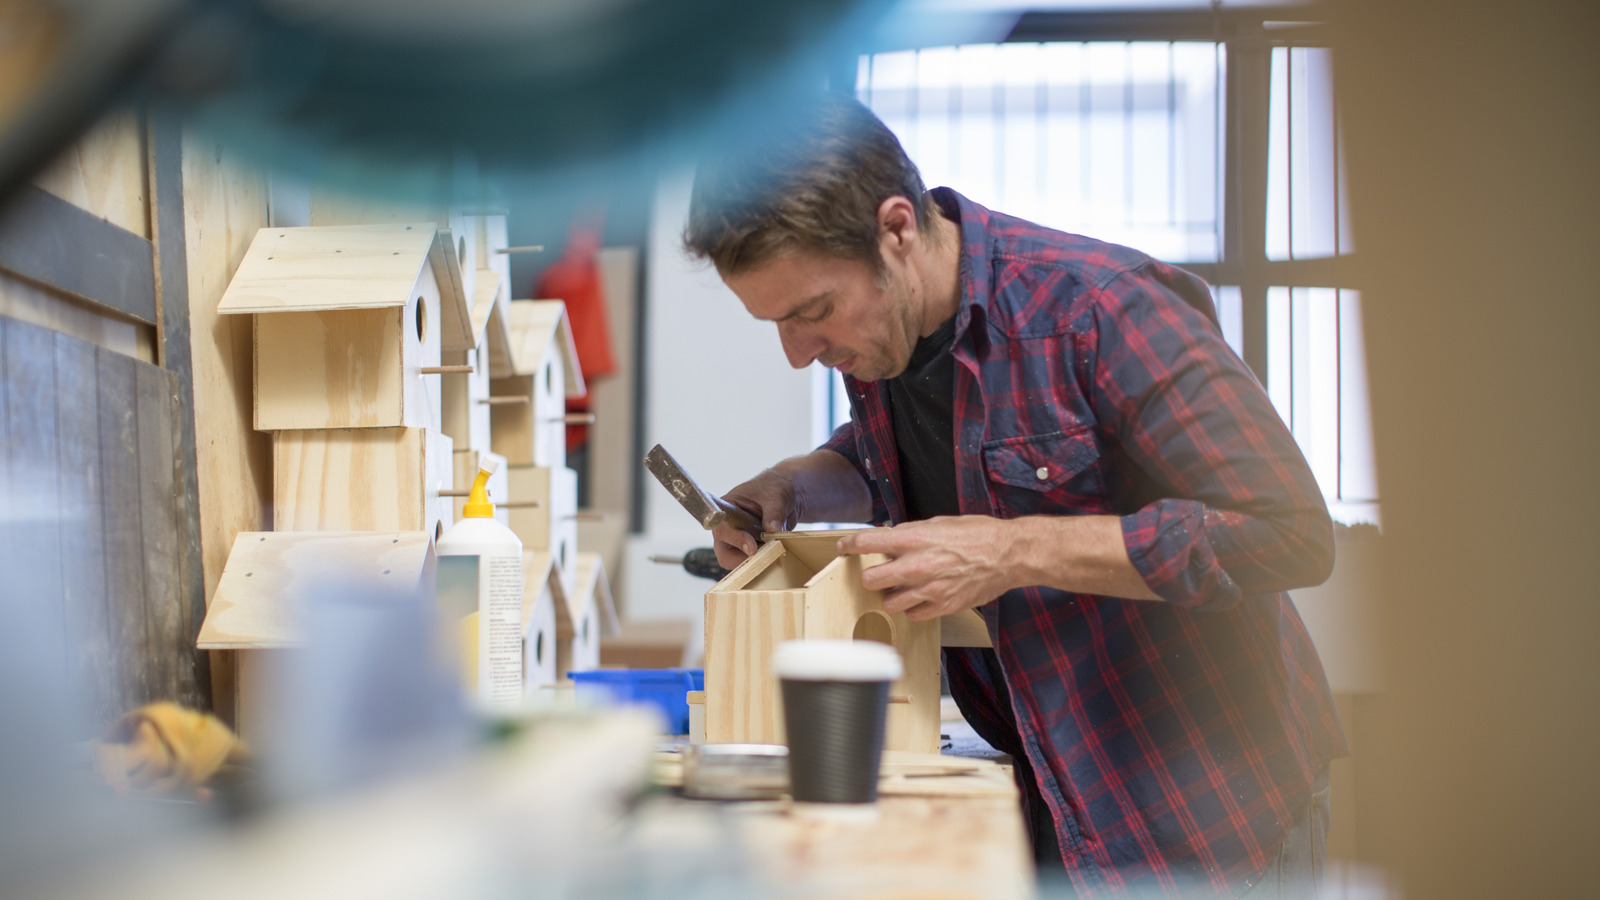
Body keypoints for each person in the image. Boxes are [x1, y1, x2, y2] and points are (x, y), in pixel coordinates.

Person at [683, 92, 1346, 898]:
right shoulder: (891, 338)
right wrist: (799, 482)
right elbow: (921, 452)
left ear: (897, 230)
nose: (799, 352)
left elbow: (1288, 532)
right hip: (1048, 792)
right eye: (777, 324)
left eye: (814, 312)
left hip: (1205, 817)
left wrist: (1012, 550)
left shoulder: (1103, 308)